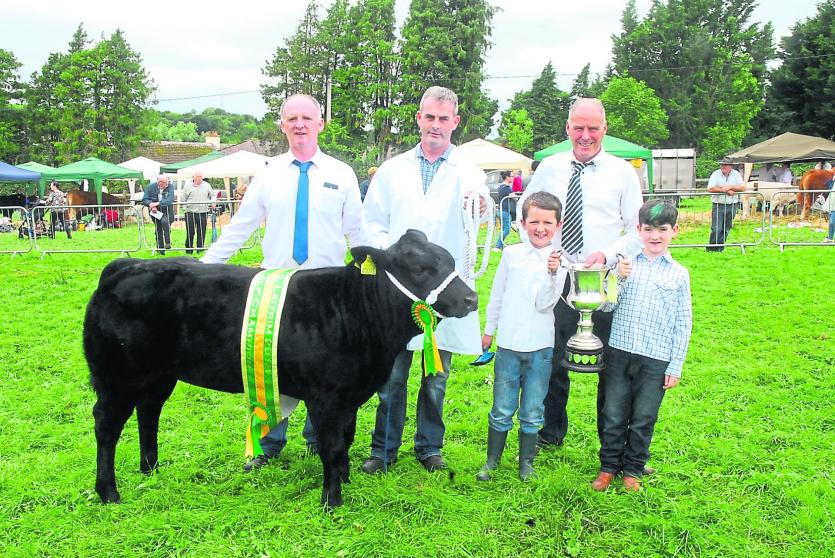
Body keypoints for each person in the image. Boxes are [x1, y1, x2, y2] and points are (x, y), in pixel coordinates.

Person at [201, 93, 362, 470]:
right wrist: (205, 268)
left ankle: (318, 438)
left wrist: (373, 276)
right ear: (282, 126)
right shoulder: (268, 173)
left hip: (327, 292)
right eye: (292, 119)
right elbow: (240, 227)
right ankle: (268, 442)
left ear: (321, 124)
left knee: (326, 368)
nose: (300, 125)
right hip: (275, 291)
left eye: (307, 118)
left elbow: (358, 231)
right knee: (272, 365)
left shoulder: (342, 174)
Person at [361, 85, 488, 474]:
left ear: (455, 122)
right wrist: (392, 254)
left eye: (443, 119)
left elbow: (480, 214)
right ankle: (383, 450)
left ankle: (429, 447)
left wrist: (480, 206)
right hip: (400, 291)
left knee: (436, 377)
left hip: (443, 292)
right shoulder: (392, 170)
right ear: (418, 118)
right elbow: (372, 221)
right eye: (429, 117)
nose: (436, 125)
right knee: (391, 376)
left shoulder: (469, 171)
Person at [516, 97, 643, 450]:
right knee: (552, 359)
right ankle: (549, 433)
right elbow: (525, 211)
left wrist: (609, 255)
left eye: (593, 128)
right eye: (578, 128)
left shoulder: (622, 172)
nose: (585, 135)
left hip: (604, 280)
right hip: (557, 278)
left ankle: (612, 442)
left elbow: (637, 229)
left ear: (605, 129)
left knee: (613, 366)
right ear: (568, 128)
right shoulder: (549, 167)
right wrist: (540, 250)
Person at [592, 199, 692, 491]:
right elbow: (606, 307)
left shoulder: (679, 274)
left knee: (643, 417)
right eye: (648, 229)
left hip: (656, 359)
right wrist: (619, 280)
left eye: (662, 229)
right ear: (638, 230)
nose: (655, 236)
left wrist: (675, 365)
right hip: (619, 353)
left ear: (674, 231)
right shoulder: (625, 266)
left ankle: (633, 469)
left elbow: (683, 322)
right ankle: (608, 467)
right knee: (613, 413)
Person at [477, 192, 566, 482]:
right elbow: (497, 294)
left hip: (540, 348)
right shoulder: (511, 255)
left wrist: (552, 274)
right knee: (502, 406)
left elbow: (545, 304)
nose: (540, 228)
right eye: (534, 222)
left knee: (532, 408)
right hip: (508, 346)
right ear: (523, 223)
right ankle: (492, 460)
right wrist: (489, 330)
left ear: (558, 225)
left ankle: (526, 462)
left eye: (547, 223)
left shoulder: (560, 263)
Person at [706, 159, 745, 252]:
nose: (722, 167)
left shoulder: (736, 174)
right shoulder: (716, 174)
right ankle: (712, 248)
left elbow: (742, 187)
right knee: (716, 228)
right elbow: (710, 188)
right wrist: (723, 190)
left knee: (726, 227)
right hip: (718, 204)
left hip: (732, 204)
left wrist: (730, 187)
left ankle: (720, 247)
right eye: (722, 165)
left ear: (730, 167)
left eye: (725, 165)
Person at [180, 171, 214, 255]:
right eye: (198, 176)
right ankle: (189, 250)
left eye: (201, 176)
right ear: (193, 177)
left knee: (201, 232)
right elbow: (183, 198)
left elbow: (212, 195)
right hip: (190, 213)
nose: (199, 178)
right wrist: (185, 209)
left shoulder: (207, 185)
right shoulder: (187, 186)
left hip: (203, 212)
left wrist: (213, 201)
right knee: (190, 232)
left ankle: (200, 249)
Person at [142, 175, 175, 254]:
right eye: (165, 182)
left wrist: (156, 204)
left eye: (167, 182)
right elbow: (145, 199)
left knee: (165, 222)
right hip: (155, 212)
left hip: (167, 210)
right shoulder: (150, 187)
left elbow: (169, 200)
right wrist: (151, 205)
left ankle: (167, 241)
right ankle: (160, 250)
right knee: (158, 229)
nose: (167, 184)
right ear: (159, 182)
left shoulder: (170, 186)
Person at [493, 171, 514, 252]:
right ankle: (498, 246)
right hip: (505, 211)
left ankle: (499, 246)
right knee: (506, 230)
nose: (513, 178)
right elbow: (514, 197)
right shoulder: (507, 188)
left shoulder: (501, 186)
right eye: (512, 176)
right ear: (507, 177)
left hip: (501, 210)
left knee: (504, 229)